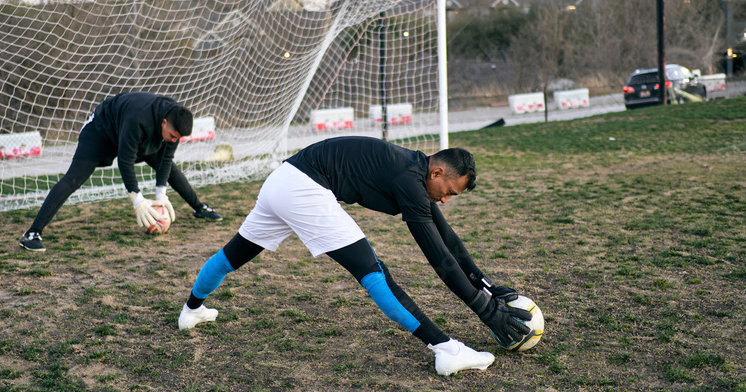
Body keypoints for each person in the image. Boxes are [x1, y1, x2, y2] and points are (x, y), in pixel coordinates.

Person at [177, 136, 532, 376]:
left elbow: (449, 241)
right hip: (305, 188)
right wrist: (485, 311)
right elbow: (438, 258)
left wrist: (487, 288)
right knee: (374, 274)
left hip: (282, 180)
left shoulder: (415, 172)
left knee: (232, 255)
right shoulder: (411, 180)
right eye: (449, 191)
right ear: (437, 172)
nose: (446, 200)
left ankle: (191, 310)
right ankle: (446, 350)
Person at [19, 92, 222, 252]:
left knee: (171, 170)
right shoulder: (138, 118)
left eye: (178, 138)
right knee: (73, 179)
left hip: (135, 136)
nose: (174, 140)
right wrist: (137, 200)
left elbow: (166, 160)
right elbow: (126, 161)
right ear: (164, 123)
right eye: (172, 135)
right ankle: (32, 233)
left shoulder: (174, 122)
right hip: (101, 132)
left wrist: (161, 193)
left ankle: (199, 208)